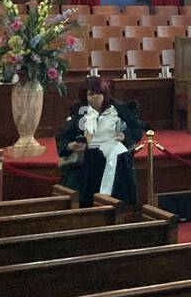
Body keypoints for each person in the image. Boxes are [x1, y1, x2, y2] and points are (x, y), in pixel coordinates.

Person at [56, 76, 143, 205]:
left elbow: (135, 129)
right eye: (91, 94)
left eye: (99, 93)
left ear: (105, 94)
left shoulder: (117, 110)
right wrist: (71, 146)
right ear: (85, 95)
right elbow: (63, 137)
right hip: (87, 161)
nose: (96, 97)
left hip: (112, 159)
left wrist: (124, 136)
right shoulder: (80, 112)